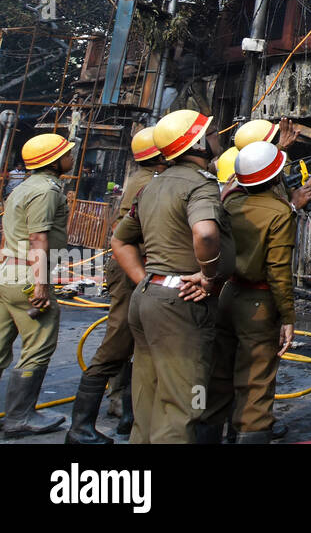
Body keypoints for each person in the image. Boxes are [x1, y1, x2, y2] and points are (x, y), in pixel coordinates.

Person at [112, 109, 234, 444]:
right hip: (182, 304)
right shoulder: (200, 185)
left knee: (147, 399)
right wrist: (208, 276)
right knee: (186, 403)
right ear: (196, 142)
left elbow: (119, 240)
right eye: (210, 133)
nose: (217, 137)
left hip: (149, 298)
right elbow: (206, 234)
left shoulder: (151, 187)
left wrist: (146, 281)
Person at [199, 141, 311, 443]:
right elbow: (278, 272)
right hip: (258, 304)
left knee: (219, 376)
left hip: (227, 295)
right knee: (256, 382)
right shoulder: (280, 213)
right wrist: (287, 316)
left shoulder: (230, 203)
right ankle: (249, 432)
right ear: (275, 177)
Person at [66, 127, 167, 444]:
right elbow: (124, 232)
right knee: (117, 342)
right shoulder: (147, 182)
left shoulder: (147, 178)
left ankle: (128, 416)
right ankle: (80, 428)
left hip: (134, 267)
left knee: (136, 342)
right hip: (130, 269)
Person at [0, 133, 76, 438]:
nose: (72, 157)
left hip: (9, 272)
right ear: (54, 161)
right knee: (38, 346)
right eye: (67, 154)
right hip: (28, 277)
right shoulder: (46, 191)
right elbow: (38, 238)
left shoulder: (22, 188)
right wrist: (42, 284)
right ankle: (19, 417)